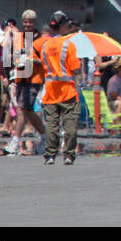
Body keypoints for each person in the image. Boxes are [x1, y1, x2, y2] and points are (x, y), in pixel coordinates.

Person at [36, 11, 81, 165]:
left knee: (52, 126)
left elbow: (43, 65)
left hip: (50, 92)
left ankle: (50, 155)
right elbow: (75, 68)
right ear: (62, 26)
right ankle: (68, 155)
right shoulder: (69, 45)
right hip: (67, 92)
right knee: (70, 127)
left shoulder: (45, 46)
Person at [5, 9, 46, 154]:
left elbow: (46, 62)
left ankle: (15, 142)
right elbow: (11, 56)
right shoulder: (18, 38)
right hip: (20, 76)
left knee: (22, 109)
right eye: (25, 23)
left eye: (30, 23)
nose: (27, 25)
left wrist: (33, 60)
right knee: (27, 111)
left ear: (34, 23)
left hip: (34, 78)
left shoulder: (42, 40)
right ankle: (44, 135)